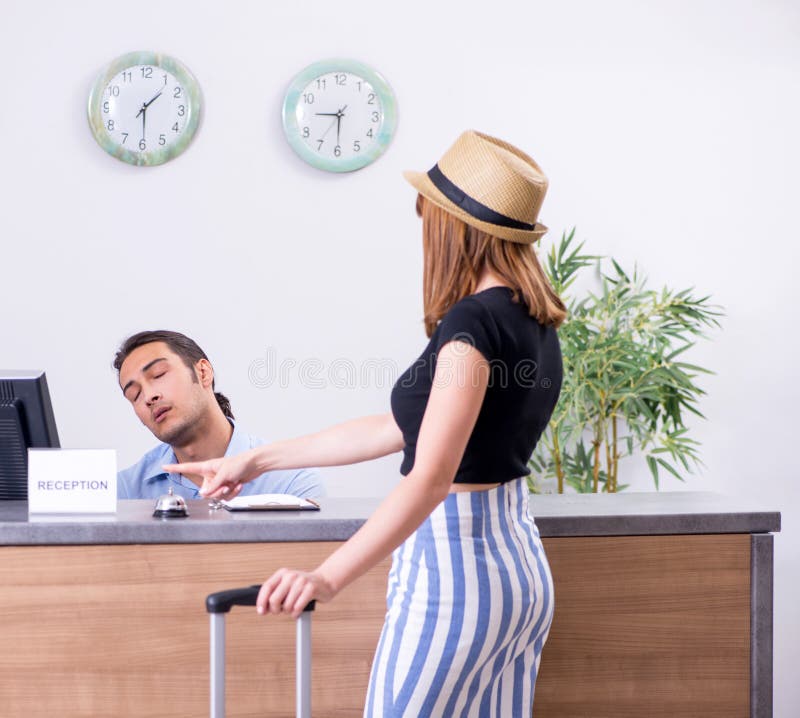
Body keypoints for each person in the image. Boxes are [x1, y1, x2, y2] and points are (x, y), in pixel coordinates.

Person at [167, 130, 566, 716]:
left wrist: (326, 578)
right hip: (518, 571)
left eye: (429, 216)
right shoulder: (533, 320)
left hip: (455, 575)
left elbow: (431, 477)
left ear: (454, 226)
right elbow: (394, 429)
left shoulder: (472, 325)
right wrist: (253, 460)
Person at [113, 330, 324, 500]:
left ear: (203, 372)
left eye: (159, 374)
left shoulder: (291, 481)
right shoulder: (122, 494)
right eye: (135, 395)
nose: (148, 396)